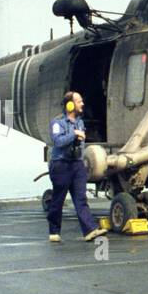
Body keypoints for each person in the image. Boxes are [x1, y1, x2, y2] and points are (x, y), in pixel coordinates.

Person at [46, 91, 106, 242]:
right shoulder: (57, 122)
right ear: (70, 105)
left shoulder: (80, 122)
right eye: (79, 101)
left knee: (81, 198)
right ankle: (54, 231)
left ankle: (90, 230)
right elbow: (58, 142)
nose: (82, 104)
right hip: (61, 165)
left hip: (77, 164)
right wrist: (74, 134)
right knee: (58, 199)